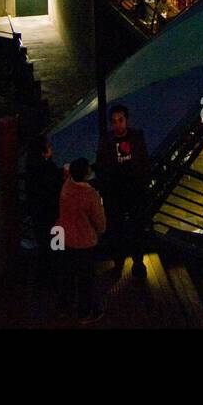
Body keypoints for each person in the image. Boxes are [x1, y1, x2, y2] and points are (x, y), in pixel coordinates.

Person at [95, 104, 151, 278]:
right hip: (115, 193)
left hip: (134, 191)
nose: (118, 125)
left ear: (126, 120)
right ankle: (120, 262)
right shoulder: (107, 141)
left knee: (136, 227)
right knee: (117, 229)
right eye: (114, 122)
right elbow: (101, 166)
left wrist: (142, 183)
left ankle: (136, 262)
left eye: (120, 120)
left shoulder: (135, 136)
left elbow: (143, 161)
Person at [56, 157, 106, 323]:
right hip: (84, 241)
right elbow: (100, 221)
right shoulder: (90, 194)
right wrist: (100, 231)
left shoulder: (66, 186)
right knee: (86, 279)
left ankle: (64, 307)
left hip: (65, 237)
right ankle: (85, 313)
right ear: (86, 173)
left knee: (67, 275)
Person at [26, 135, 63, 291]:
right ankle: (59, 280)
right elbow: (58, 190)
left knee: (45, 246)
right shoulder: (49, 168)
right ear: (44, 151)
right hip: (54, 215)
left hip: (39, 215)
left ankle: (43, 281)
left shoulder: (31, 169)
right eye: (48, 146)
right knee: (58, 247)